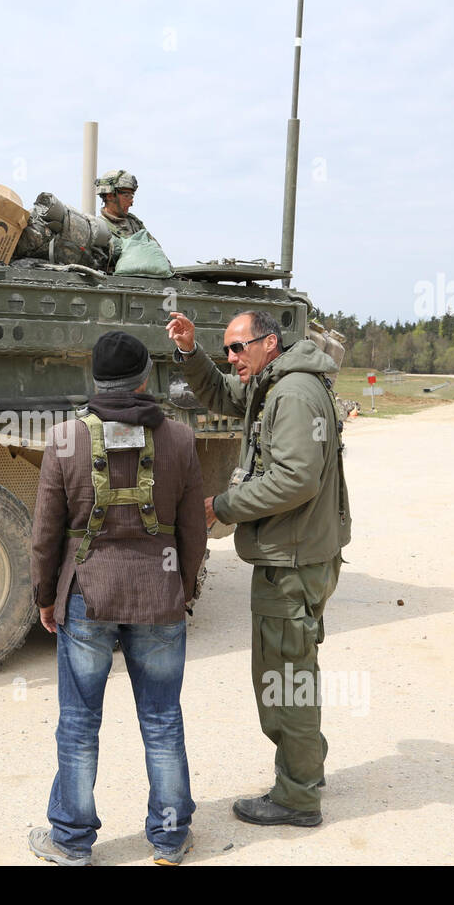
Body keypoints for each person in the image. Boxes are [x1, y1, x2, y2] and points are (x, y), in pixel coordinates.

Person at [166, 308, 352, 827]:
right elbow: (225, 395)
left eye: (237, 348)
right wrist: (190, 354)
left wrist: (222, 506)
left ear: (269, 343)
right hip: (299, 551)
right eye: (225, 349)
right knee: (295, 672)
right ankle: (305, 771)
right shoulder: (275, 381)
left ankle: (296, 798)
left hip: (291, 559)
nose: (232, 358)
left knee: (283, 679)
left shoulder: (291, 395)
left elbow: (297, 479)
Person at [28, 331, 208, 865]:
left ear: (95, 379)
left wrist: (45, 596)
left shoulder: (64, 439)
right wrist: (186, 587)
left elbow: (45, 534)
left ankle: (71, 842)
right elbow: (194, 531)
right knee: (162, 720)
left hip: (87, 596)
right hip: (159, 596)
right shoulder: (180, 438)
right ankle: (171, 839)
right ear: (145, 380)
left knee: (79, 724)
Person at [95, 169, 149, 239]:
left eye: (132, 196)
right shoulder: (98, 228)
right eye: (126, 196)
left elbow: (153, 247)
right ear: (110, 196)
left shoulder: (135, 223)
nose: (131, 202)